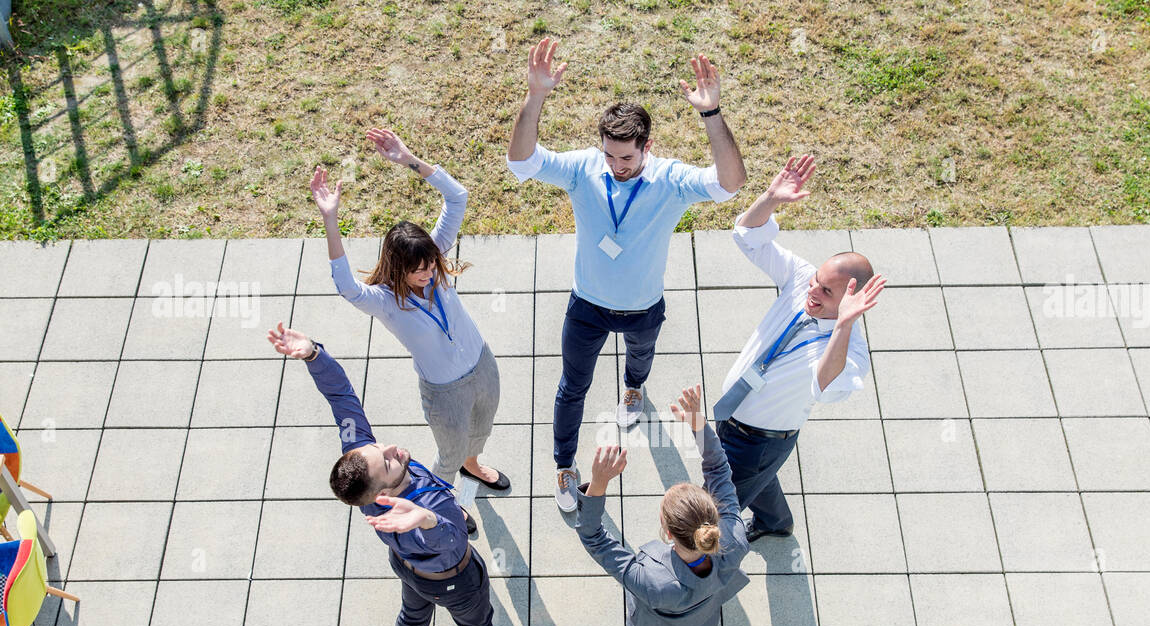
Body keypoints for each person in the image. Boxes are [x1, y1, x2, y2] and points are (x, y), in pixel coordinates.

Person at [506, 38, 747, 513]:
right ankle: (563, 466)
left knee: (640, 360)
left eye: (627, 159)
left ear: (647, 147)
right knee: (571, 387)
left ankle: (633, 392)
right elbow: (520, 162)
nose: (617, 168)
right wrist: (535, 96)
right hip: (588, 306)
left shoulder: (671, 180)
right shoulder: (583, 169)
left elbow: (730, 183)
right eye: (610, 157)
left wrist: (712, 113)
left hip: (643, 307)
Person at [266, 322, 538, 626]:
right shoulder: (412, 513)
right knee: (475, 624)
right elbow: (453, 542)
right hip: (454, 580)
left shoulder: (363, 465)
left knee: (412, 619)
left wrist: (314, 354)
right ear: (381, 496)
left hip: (409, 570)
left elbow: (341, 397)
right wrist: (428, 520)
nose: (394, 451)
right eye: (390, 464)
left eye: (382, 449)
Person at [311, 127, 510, 536]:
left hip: (482, 364)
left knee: (482, 428)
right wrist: (330, 219)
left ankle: (473, 465)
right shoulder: (386, 301)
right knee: (447, 454)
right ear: (398, 267)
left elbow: (458, 198)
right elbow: (347, 287)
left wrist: (409, 160)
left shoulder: (434, 259)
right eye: (417, 270)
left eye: (431, 265)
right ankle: (447, 501)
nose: (428, 273)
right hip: (444, 391)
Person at [714, 155, 888, 542]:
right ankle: (776, 521)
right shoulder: (803, 278)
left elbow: (825, 387)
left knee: (715, 513)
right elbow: (747, 236)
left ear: (850, 298)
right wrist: (771, 199)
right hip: (733, 413)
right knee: (759, 480)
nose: (813, 290)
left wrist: (842, 325)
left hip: (757, 440)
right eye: (817, 281)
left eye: (827, 291)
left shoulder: (850, 350)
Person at [573, 384, 748, 626]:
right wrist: (699, 425)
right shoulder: (733, 539)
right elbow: (719, 470)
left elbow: (595, 540)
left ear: (668, 534)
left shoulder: (652, 581)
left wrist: (599, 484)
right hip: (701, 623)